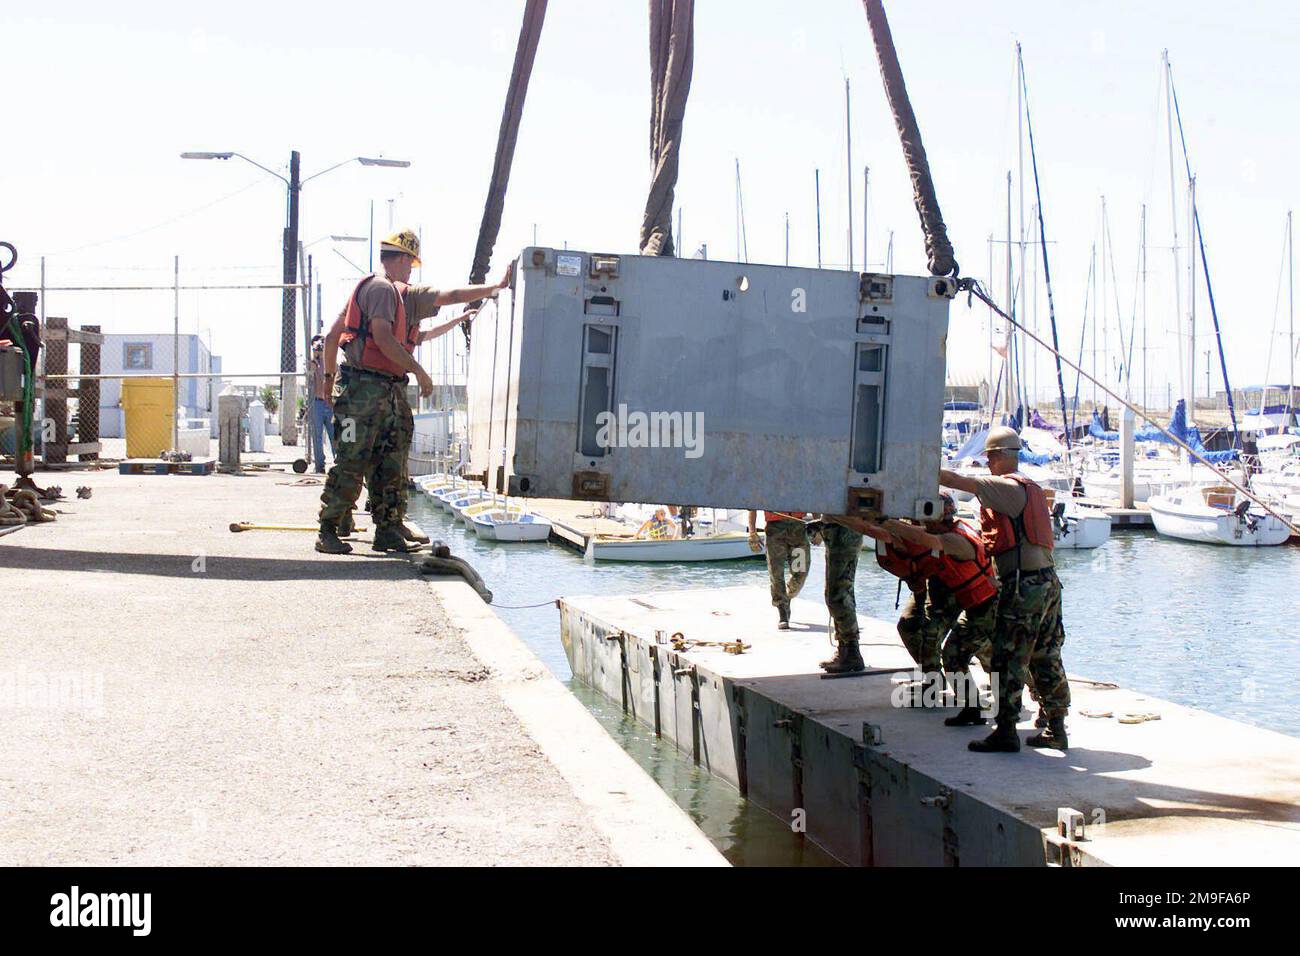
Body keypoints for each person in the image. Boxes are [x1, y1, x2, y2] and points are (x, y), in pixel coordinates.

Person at [316, 229, 510, 554]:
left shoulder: (400, 295)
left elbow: (449, 295)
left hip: (388, 391)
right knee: (352, 459)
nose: (412, 270)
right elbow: (380, 336)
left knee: (391, 462)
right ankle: (329, 528)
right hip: (363, 390)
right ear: (403, 258)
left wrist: (327, 379)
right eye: (411, 263)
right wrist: (418, 370)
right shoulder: (379, 289)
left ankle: (389, 528)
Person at [940, 426, 1070, 752]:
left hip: (1022, 584)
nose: (987, 464)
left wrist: (915, 465)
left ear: (997, 457)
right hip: (1048, 581)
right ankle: (1056, 726)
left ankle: (1006, 731)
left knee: (1007, 656)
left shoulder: (1004, 487)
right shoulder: (1031, 487)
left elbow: (956, 481)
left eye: (988, 458)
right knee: (1046, 654)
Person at [854, 493, 999, 720]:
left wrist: (885, 521)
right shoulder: (943, 533)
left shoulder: (952, 539)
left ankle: (1019, 702)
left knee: (986, 653)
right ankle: (970, 705)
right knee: (950, 650)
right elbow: (887, 534)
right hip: (971, 602)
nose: (922, 523)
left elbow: (923, 539)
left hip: (986, 604)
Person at [817, 517, 866, 675]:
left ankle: (851, 652)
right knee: (835, 594)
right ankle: (844, 649)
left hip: (844, 532)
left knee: (838, 596)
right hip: (837, 531)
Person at [747, 509, 809, 629]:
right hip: (775, 530)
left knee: (800, 571)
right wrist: (752, 532)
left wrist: (817, 528)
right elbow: (753, 504)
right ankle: (782, 611)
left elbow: (814, 500)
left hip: (798, 529)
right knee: (776, 573)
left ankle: (788, 596)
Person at [306, 335, 334, 474]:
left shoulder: (331, 362)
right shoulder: (312, 363)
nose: (320, 348)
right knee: (316, 435)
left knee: (334, 434)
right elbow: (309, 374)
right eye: (317, 346)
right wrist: (314, 359)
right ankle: (319, 465)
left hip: (330, 403)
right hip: (316, 403)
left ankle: (338, 464)